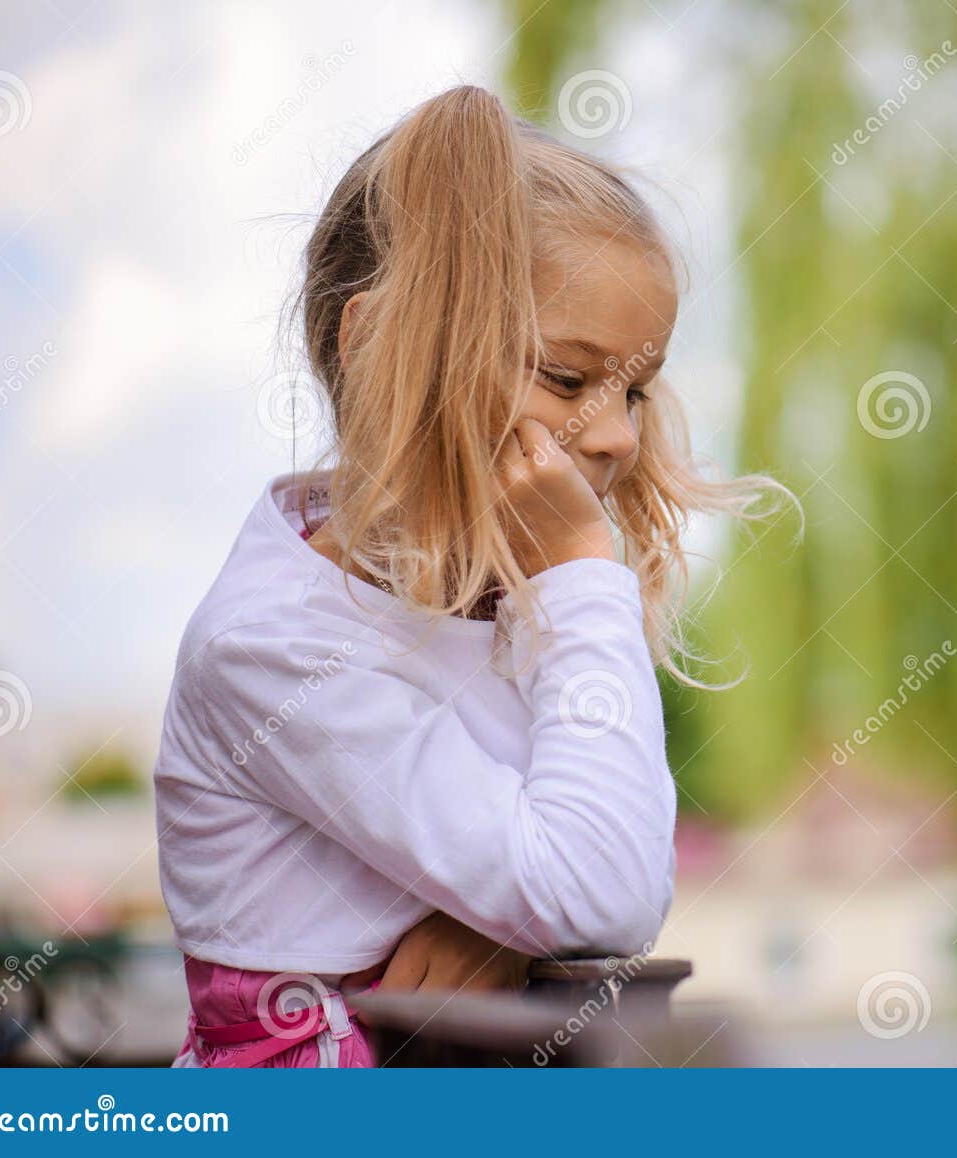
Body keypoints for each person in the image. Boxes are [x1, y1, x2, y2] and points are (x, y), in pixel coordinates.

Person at [153, 84, 782, 1067]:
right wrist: (582, 574)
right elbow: (600, 888)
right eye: (568, 380)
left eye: (636, 390)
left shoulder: (507, 596)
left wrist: (505, 923)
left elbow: (599, 873)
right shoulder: (273, 645)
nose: (616, 435)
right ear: (373, 348)